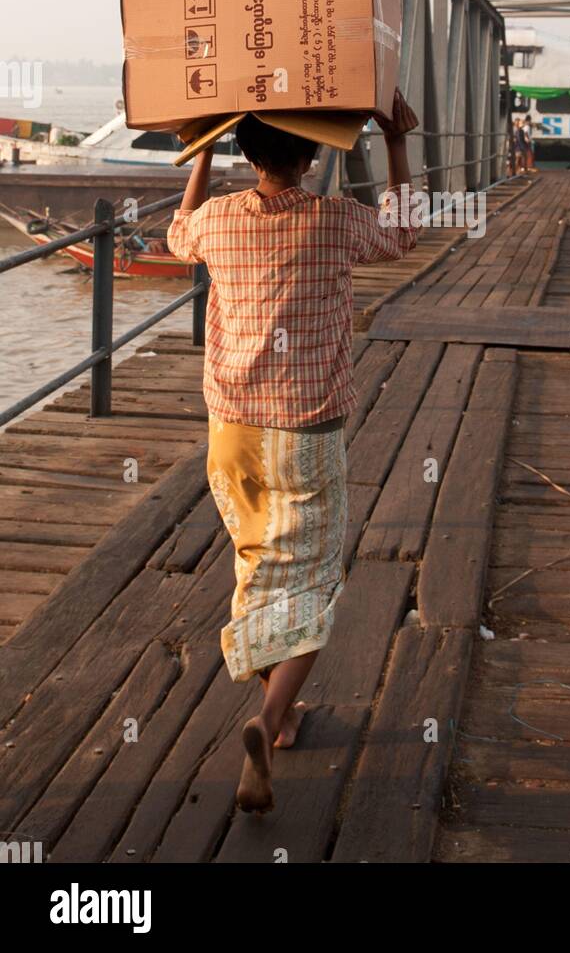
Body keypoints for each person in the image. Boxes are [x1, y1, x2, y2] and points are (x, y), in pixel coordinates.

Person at [166, 90, 419, 814]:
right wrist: (394, 141)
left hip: (231, 428)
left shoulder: (216, 221)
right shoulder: (336, 222)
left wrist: (201, 149)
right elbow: (403, 235)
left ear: (248, 156)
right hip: (305, 429)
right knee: (311, 580)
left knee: (256, 563)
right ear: (313, 155)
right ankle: (270, 719)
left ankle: (276, 717)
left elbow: (176, 234)